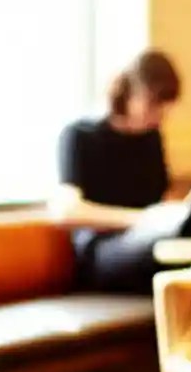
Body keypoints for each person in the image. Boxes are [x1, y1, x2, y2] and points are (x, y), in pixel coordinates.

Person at [49, 50, 184, 294]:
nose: (160, 115)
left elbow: (162, 198)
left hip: (148, 241)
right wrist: (141, 220)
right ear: (129, 91)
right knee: (164, 249)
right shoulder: (80, 135)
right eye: (153, 104)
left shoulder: (151, 139)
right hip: (101, 251)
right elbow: (65, 211)